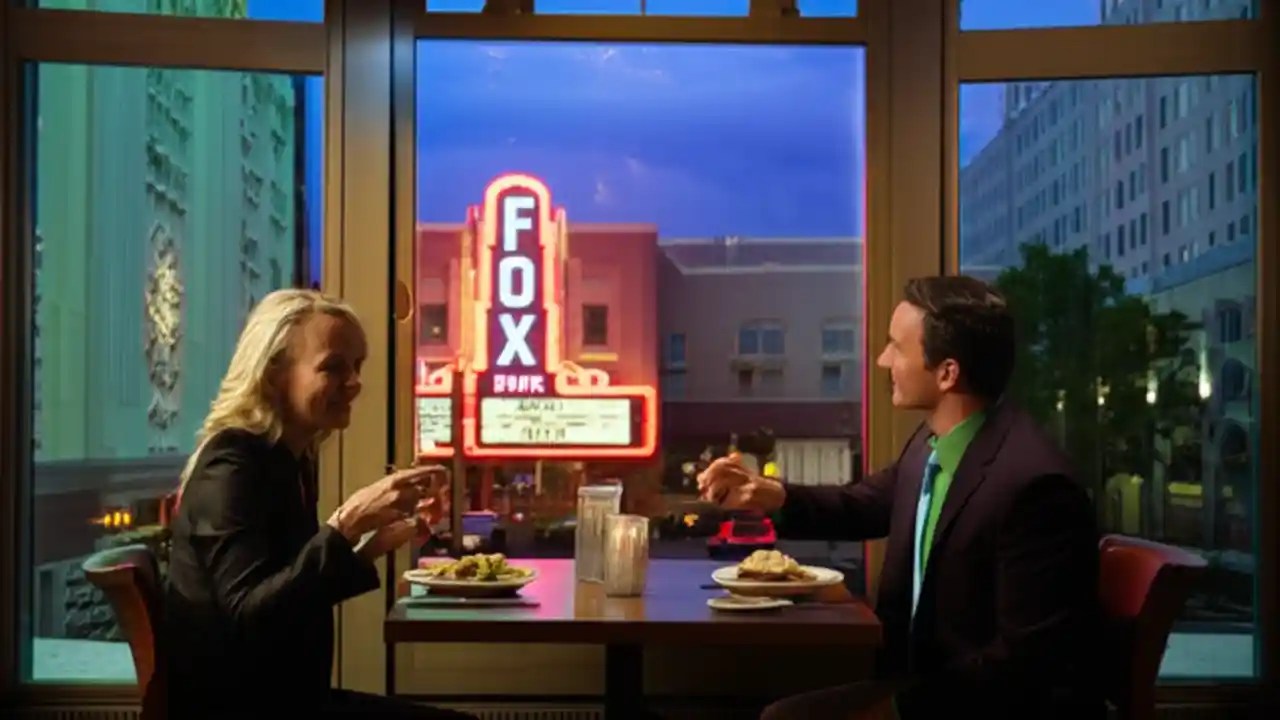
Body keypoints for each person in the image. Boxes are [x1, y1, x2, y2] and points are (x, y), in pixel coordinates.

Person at [699, 276, 1103, 720]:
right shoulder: (935, 443)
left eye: (896, 347)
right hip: (922, 685)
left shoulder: (1036, 487)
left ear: (947, 373)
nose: (881, 359)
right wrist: (767, 494)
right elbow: (866, 504)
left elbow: (1024, 663)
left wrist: (896, 709)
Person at [164, 289, 473, 719]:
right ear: (273, 375)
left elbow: (288, 589)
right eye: (333, 367)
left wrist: (373, 543)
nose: (355, 382)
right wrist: (347, 523)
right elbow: (250, 617)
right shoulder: (231, 465)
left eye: (357, 367)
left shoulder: (290, 458)